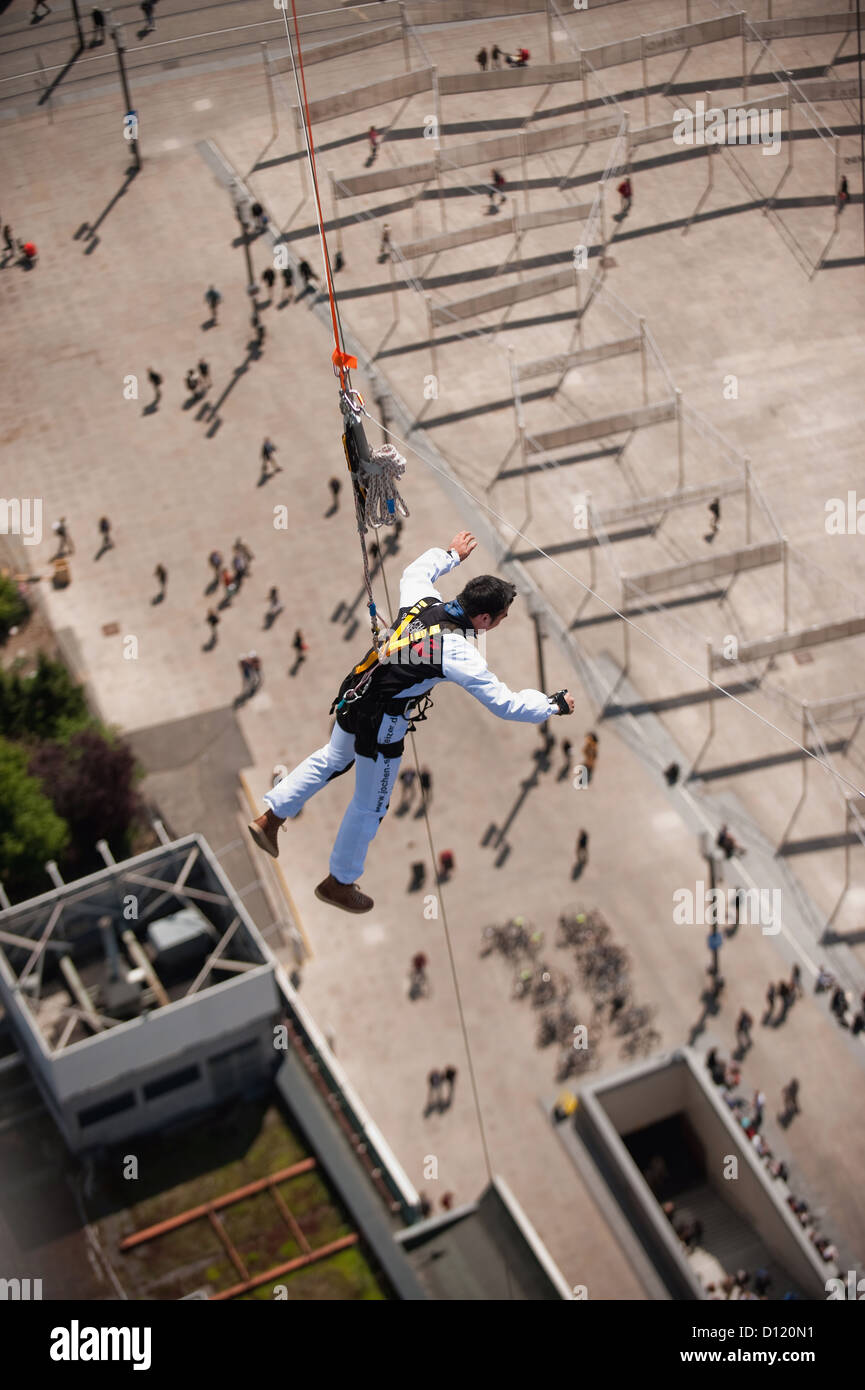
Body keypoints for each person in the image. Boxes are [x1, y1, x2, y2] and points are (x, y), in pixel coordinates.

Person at [248, 533, 575, 912]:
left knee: (332, 759)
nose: (500, 623)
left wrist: (452, 554)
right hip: (381, 724)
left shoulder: (423, 601)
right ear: (483, 618)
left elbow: (415, 570)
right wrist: (552, 705)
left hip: (355, 694)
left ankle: (271, 817)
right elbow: (506, 705)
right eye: (500, 618)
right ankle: (339, 881)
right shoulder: (456, 651)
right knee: (370, 805)